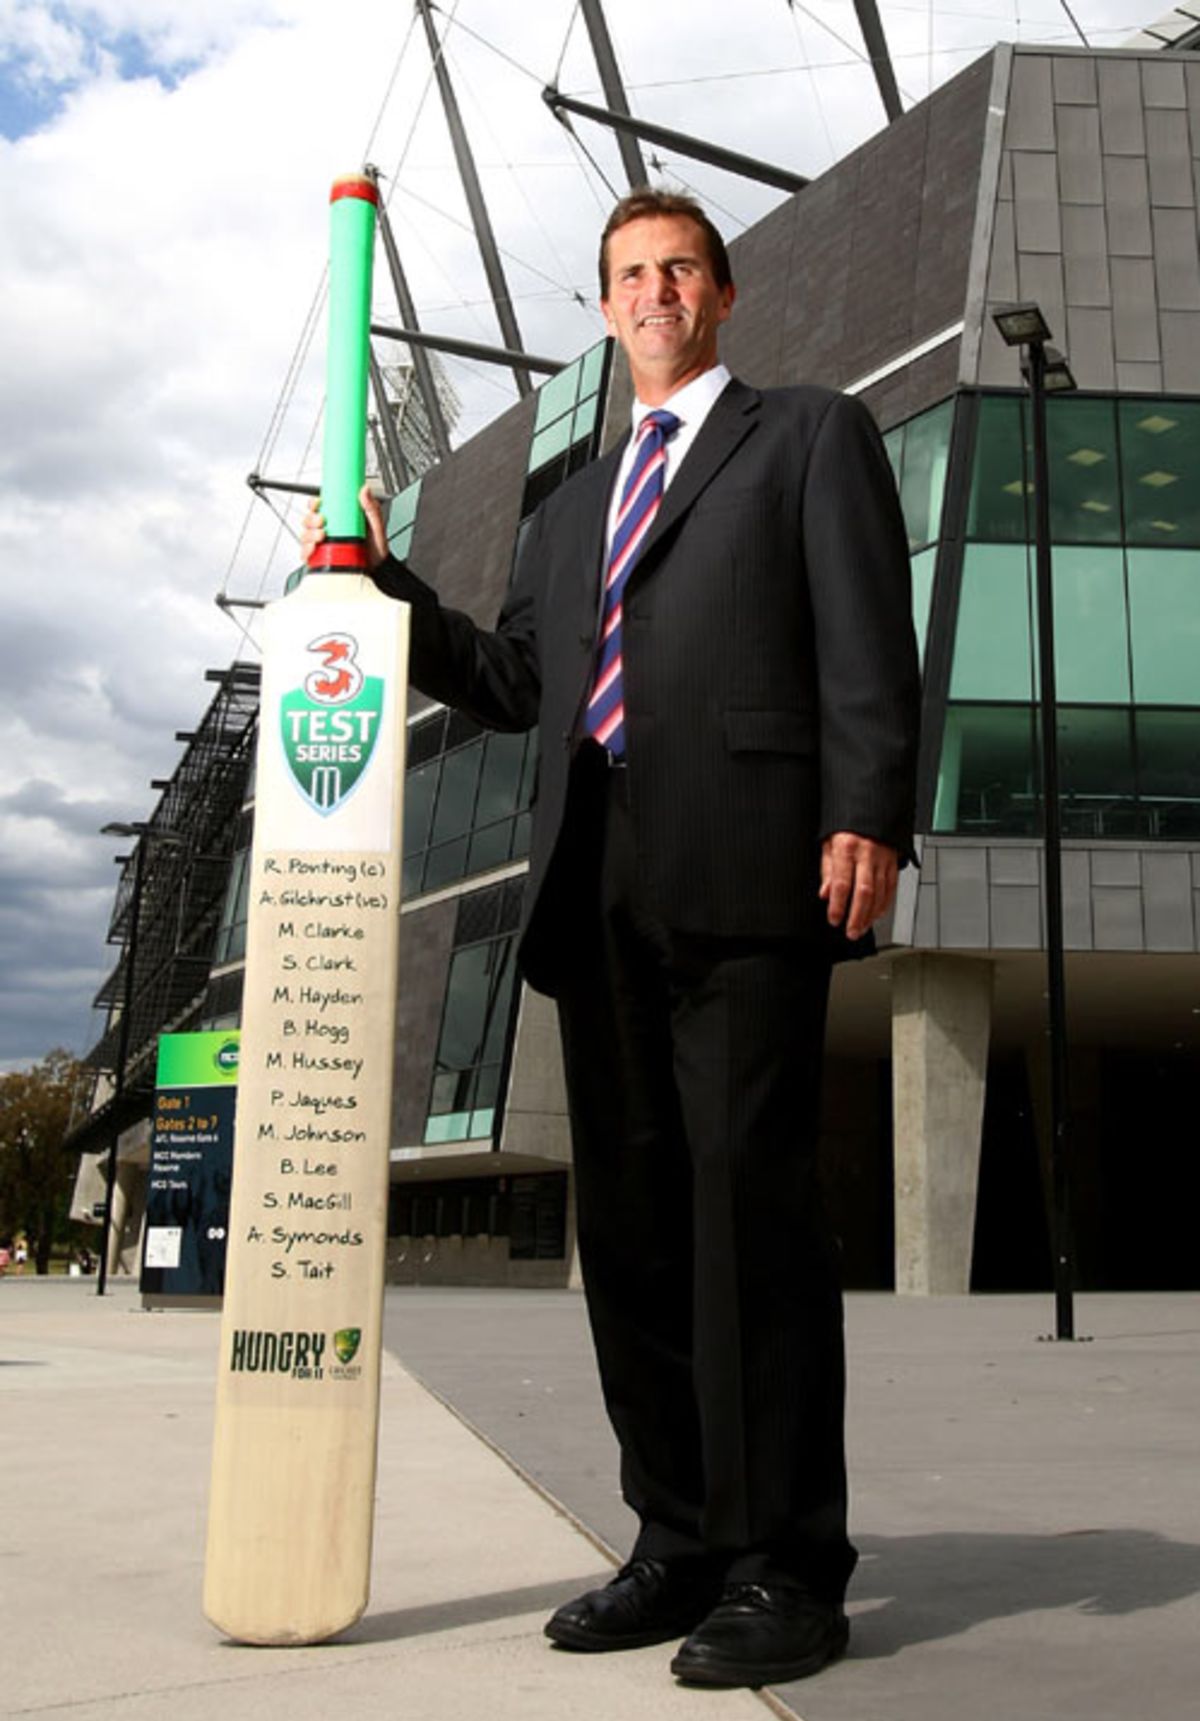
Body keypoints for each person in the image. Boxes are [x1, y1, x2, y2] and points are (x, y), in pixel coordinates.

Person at [304, 188, 920, 1688]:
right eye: (629, 273)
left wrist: (868, 810)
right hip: (596, 883)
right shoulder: (571, 507)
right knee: (635, 1235)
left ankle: (786, 1564)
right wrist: (381, 581)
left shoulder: (807, 434)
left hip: (754, 870)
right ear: (603, 308)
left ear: (723, 292)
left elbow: (866, 631)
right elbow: (519, 679)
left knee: (748, 1219)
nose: (655, 291)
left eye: (679, 268)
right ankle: (679, 1538)